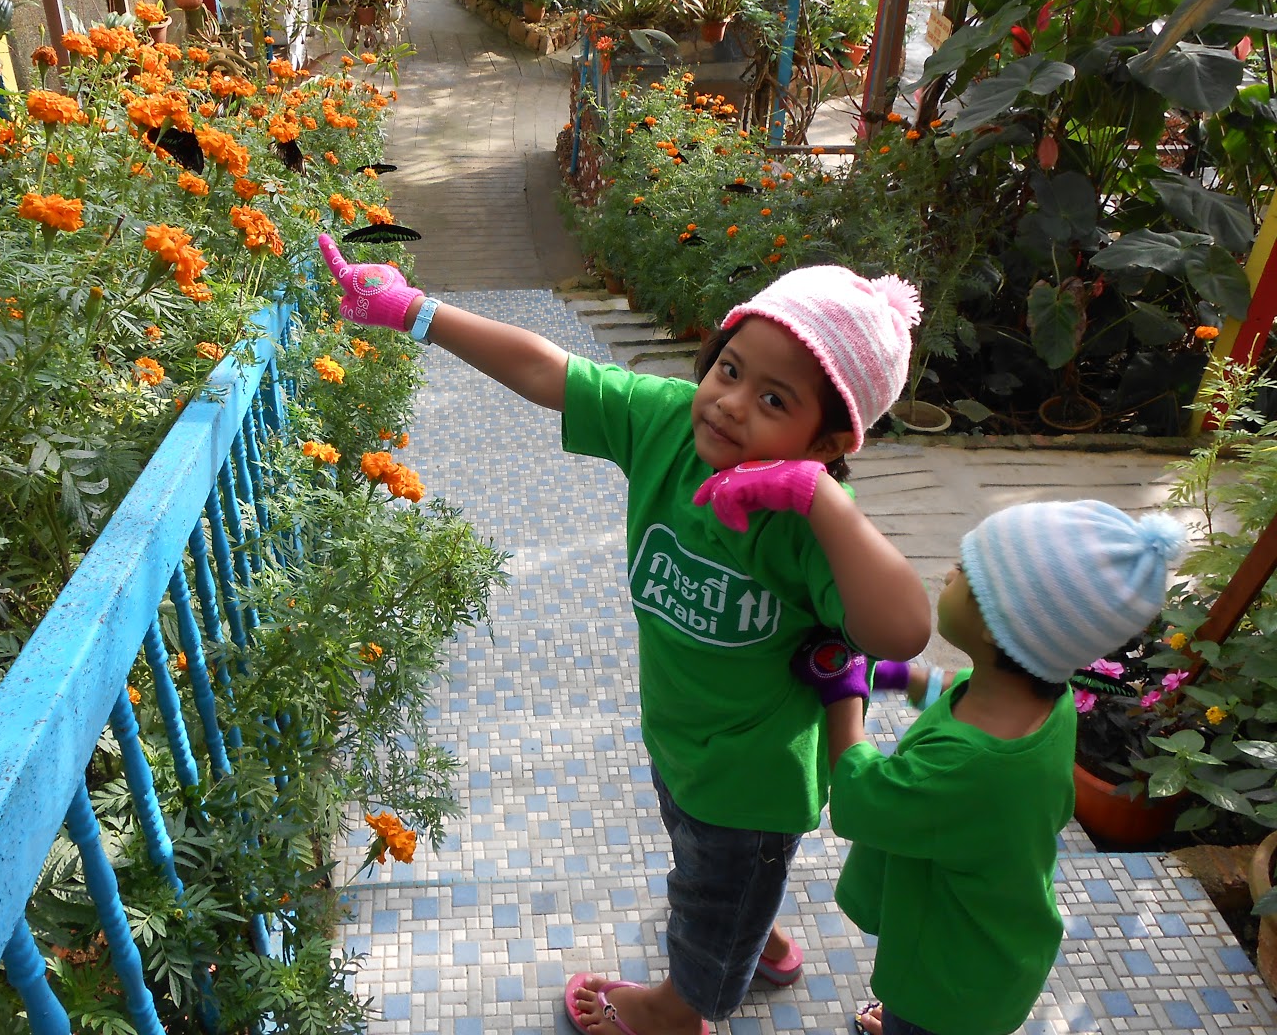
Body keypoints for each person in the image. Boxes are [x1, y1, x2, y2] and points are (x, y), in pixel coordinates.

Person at [317, 235, 932, 1035]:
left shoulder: (809, 527)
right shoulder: (668, 423)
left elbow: (906, 629)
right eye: (730, 369)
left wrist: (820, 501)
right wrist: (414, 311)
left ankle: (680, 1011)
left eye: (776, 401)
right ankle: (754, 938)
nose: (731, 403)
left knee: (715, 886)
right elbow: (548, 370)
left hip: (752, 786)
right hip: (680, 742)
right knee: (711, 878)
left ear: (826, 445)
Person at [791, 500, 1187, 1035]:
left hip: (948, 974)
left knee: (919, 1024)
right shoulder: (1048, 698)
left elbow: (862, 798)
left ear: (1000, 630)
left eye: (964, 570)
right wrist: (902, 678)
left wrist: (843, 695)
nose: (947, 574)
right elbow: (962, 687)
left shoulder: (967, 765)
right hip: (998, 937)